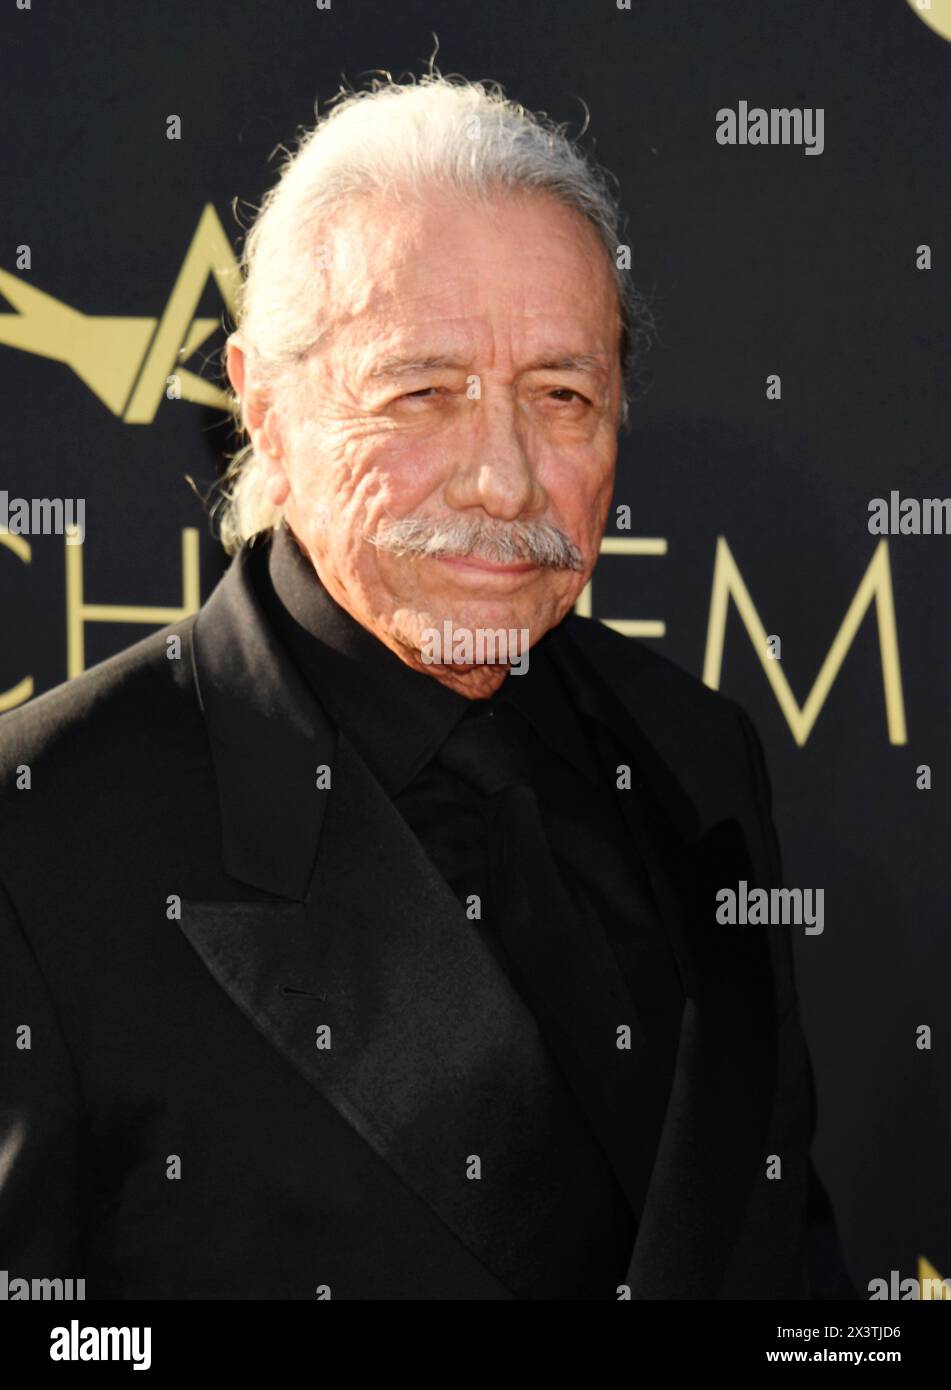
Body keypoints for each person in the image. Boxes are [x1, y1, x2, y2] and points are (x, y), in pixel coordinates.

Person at [0, 73, 854, 1300]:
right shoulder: (40, 830)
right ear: (265, 409)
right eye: (423, 393)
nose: (505, 480)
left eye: (563, 396)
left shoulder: (696, 751)